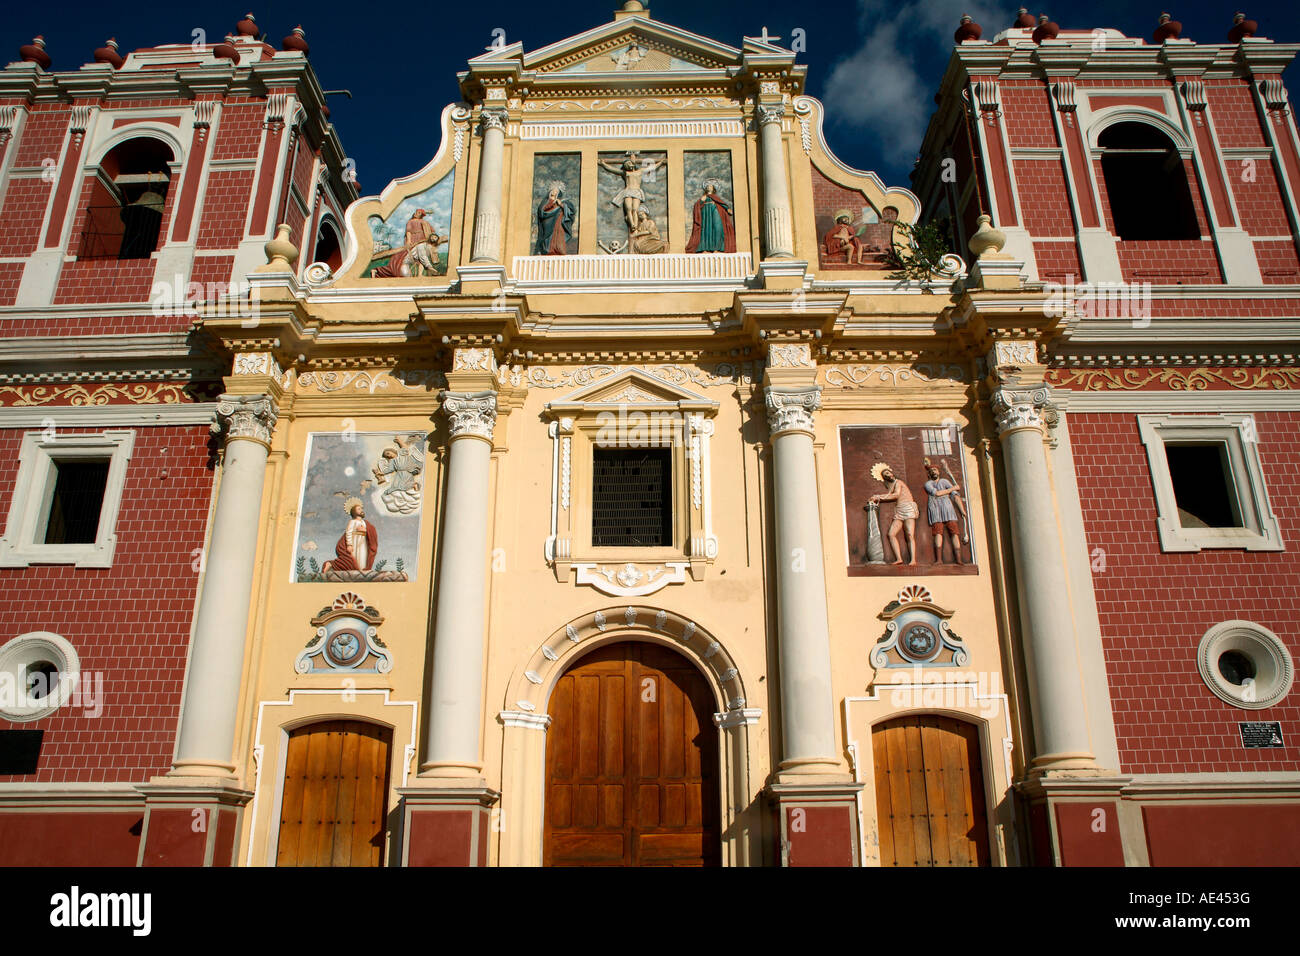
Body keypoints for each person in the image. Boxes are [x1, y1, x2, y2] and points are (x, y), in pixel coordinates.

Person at [600, 151, 666, 229]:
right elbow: (612, 169)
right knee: (628, 209)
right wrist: (603, 164)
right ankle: (632, 225)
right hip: (628, 191)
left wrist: (661, 162)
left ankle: (635, 225)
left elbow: (651, 168)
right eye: (626, 165)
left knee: (635, 209)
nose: (628, 166)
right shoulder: (625, 173)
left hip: (637, 191)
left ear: (632, 164)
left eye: (629, 163)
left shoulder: (640, 171)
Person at [868, 462, 918, 565]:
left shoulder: (898, 482)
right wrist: (879, 498)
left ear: (891, 473)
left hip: (908, 507)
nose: (887, 475)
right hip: (899, 510)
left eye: (888, 473)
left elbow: (896, 495)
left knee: (909, 534)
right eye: (885, 475)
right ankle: (899, 559)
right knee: (891, 534)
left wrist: (878, 496)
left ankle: (913, 560)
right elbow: (890, 495)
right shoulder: (891, 486)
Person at [372, 208, 443, 277]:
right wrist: (409, 241)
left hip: (422, 240)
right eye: (416, 212)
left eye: (418, 213)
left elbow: (432, 231)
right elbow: (408, 231)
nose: (416, 214)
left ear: (421, 215)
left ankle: (420, 274)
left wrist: (432, 238)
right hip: (414, 240)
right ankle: (427, 268)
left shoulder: (424, 222)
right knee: (419, 254)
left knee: (422, 256)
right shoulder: (410, 222)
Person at [322, 499, 378, 574]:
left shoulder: (365, 522)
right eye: (359, 509)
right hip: (355, 542)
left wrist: (365, 530)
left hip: (363, 543)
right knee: (353, 559)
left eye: (361, 509)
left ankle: (361, 570)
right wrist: (349, 544)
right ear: (354, 512)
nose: (361, 510)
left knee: (362, 557)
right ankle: (331, 564)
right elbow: (348, 533)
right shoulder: (352, 522)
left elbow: (371, 530)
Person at [923, 462, 964, 564]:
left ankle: (958, 559)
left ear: (939, 472)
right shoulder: (928, 484)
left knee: (954, 532)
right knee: (938, 533)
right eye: (931, 471)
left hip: (948, 508)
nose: (933, 472)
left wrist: (962, 510)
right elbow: (937, 493)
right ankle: (939, 560)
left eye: (935, 470)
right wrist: (953, 488)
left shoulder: (944, 481)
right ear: (929, 474)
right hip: (935, 509)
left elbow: (955, 496)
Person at [685, 180, 736, 253]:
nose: (709, 187)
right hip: (706, 214)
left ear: (713, 189)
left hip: (715, 212)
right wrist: (701, 201)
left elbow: (721, 204)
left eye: (711, 186)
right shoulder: (704, 197)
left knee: (718, 228)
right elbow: (697, 205)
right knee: (706, 229)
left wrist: (727, 209)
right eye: (708, 186)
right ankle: (705, 248)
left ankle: (717, 248)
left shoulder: (715, 197)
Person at [534, 180, 575, 255]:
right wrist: (551, 204)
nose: (554, 192)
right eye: (553, 190)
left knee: (558, 234)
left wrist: (561, 205)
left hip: (558, 222)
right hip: (547, 223)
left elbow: (570, 211)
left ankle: (558, 249)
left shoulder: (560, 201)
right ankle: (547, 250)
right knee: (548, 237)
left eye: (556, 191)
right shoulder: (545, 201)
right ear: (550, 191)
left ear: (558, 193)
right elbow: (542, 211)